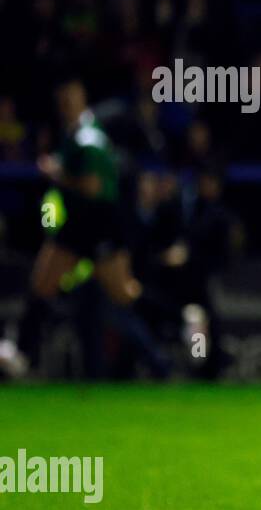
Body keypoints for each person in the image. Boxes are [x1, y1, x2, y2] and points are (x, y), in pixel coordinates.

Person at [0, 80, 167, 378]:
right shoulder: (75, 134)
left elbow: (91, 186)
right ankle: (22, 354)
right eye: (61, 99)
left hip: (98, 224)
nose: (64, 105)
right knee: (43, 281)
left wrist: (56, 172)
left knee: (123, 294)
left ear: (81, 99)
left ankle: (181, 322)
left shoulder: (88, 138)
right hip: (79, 225)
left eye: (69, 99)